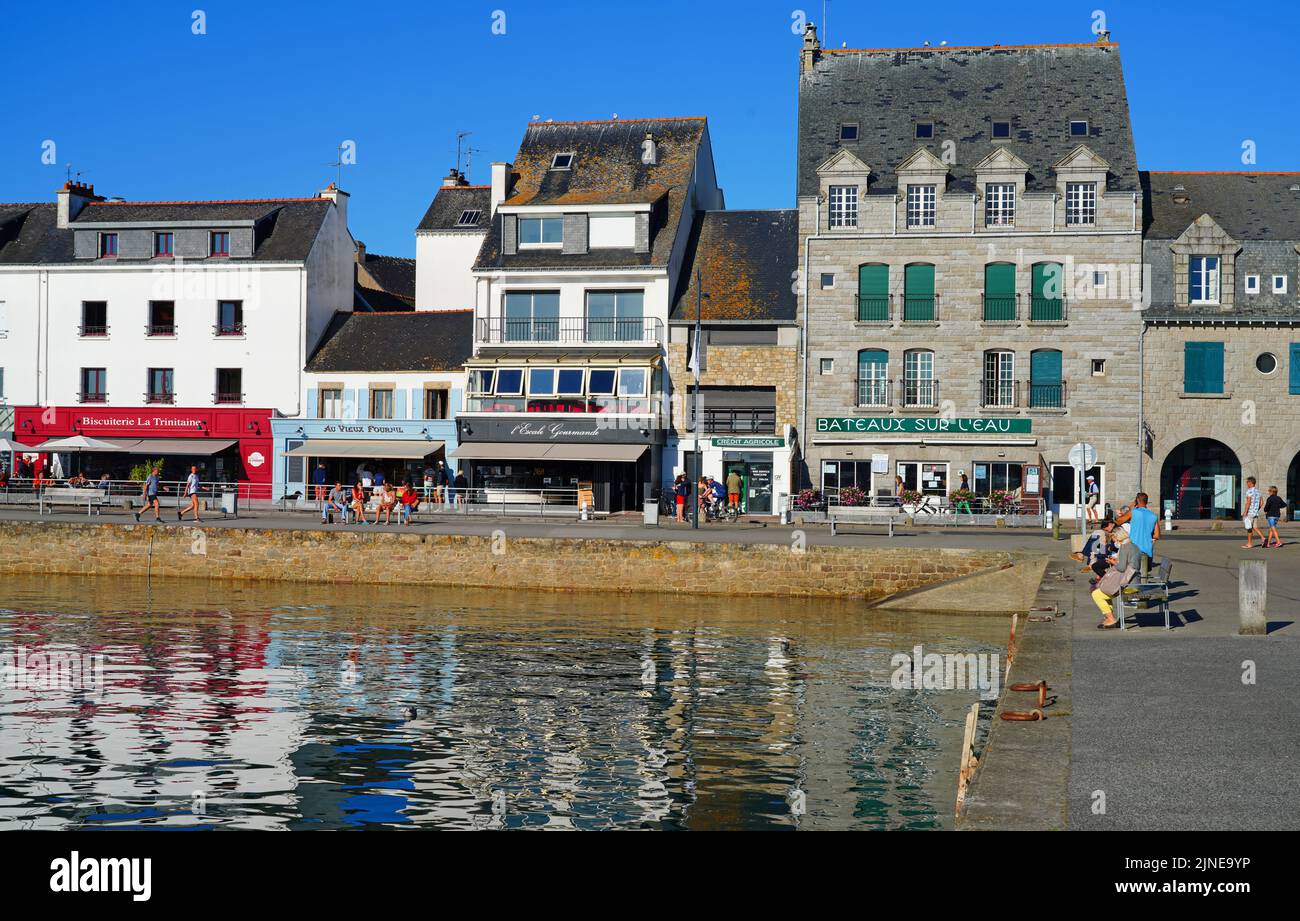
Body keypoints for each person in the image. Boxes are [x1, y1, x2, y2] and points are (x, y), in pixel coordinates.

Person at [1092, 530, 1141, 629]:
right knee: (1103, 592)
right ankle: (1109, 617)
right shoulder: (1134, 546)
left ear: (1118, 537)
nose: (1114, 541)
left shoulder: (1124, 547)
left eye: (1114, 539)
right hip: (1135, 581)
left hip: (1127, 584)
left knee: (1096, 594)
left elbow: (1121, 568)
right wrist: (1117, 561)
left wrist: (1112, 562)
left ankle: (1111, 619)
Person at [1117, 492, 1159, 577]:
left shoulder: (1133, 512)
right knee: (1143, 574)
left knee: (1129, 573)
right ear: (1146, 501)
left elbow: (1119, 521)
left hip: (1133, 549)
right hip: (1147, 550)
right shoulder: (1153, 516)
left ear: (1137, 500)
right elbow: (1157, 535)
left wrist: (1131, 506)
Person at [1242, 477, 1265, 549]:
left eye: (1247, 482)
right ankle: (1263, 538)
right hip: (1255, 513)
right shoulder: (1258, 491)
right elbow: (1261, 503)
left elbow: (1248, 502)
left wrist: (1245, 512)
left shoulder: (1249, 491)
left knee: (1249, 528)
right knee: (1255, 527)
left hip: (1250, 513)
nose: (1247, 484)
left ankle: (1249, 544)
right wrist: (1256, 509)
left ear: (1250, 482)